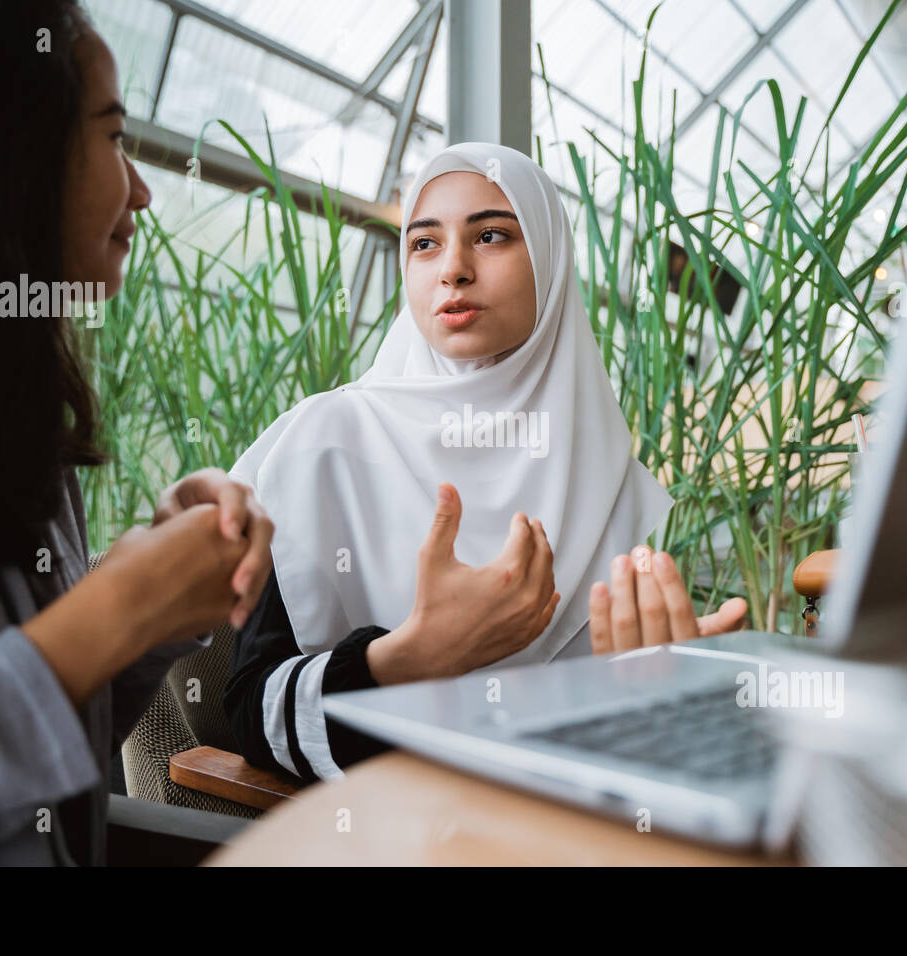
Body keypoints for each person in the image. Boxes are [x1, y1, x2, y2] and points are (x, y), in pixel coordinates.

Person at [0, 0, 274, 865]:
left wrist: (144, 604)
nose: (144, 192)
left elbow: (42, 748)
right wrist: (112, 611)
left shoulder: (7, 408)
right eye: (113, 137)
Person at [224, 143, 747, 786]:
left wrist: (657, 691)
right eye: (423, 244)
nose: (454, 270)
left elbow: (591, 740)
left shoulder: (606, 478)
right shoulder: (325, 442)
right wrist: (411, 657)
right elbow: (250, 715)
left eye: (491, 235)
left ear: (551, 264)